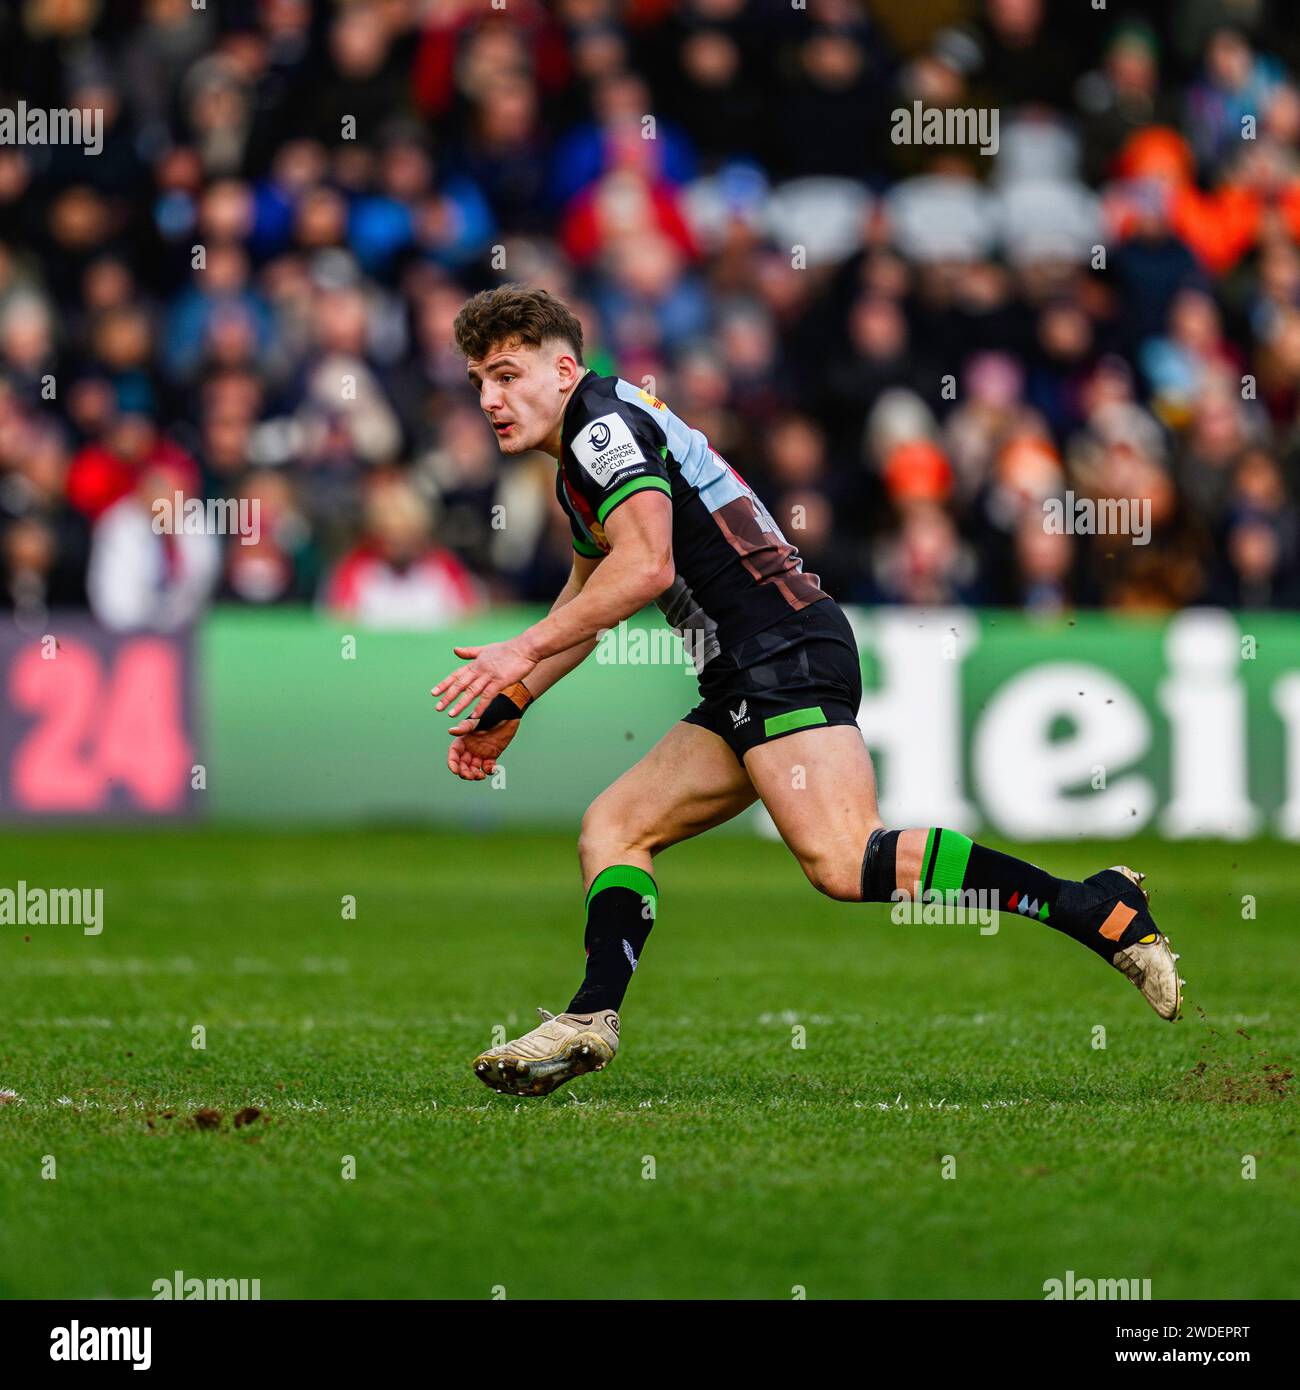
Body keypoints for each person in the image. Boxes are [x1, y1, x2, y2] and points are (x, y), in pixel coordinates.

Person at [432, 286, 1185, 1098]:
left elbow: (645, 568)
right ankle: (589, 1019)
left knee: (843, 858)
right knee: (614, 829)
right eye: (478, 382)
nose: (489, 400)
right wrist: (515, 698)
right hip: (747, 663)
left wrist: (518, 651)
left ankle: (1091, 906)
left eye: (506, 376)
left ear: (564, 367)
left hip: (781, 647)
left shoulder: (603, 426)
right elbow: (590, 600)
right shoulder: (589, 449)